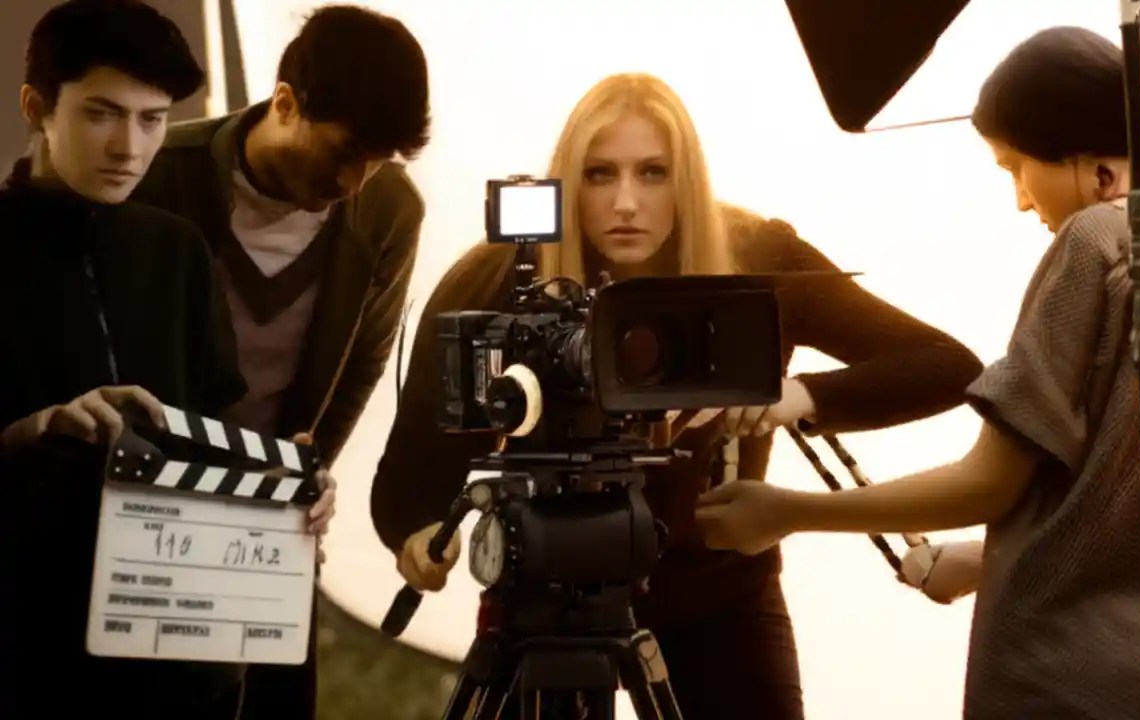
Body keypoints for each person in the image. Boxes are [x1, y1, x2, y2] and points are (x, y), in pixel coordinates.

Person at [370, 72, 985, 719]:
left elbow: (946, 365)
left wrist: (800, 394)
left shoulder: (755, 257)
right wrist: (418, 536)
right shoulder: (500, 276)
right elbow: (410, 474)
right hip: (544, 595)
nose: (626, 202)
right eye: (600, 174)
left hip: (720, 593)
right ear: (567, 181)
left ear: (687, 179)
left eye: (653, 173)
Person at [696, 26, 1140, 720]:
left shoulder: (1092, 241)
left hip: (1064, 689)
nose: (1020, 200)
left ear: (1100, 173)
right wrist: (989, 561)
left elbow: (989, 482)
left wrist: (791, 512)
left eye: (1016, 169)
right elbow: (1125, 518)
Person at [0, 2, 329, 718]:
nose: (129, 146)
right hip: (25, 653)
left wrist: (285, 487)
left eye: (152, 120)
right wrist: (34, 430)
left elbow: (213, 429)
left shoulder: (178, 251)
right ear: (36, 107)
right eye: (101, 114)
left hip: (173, 660)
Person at [129, 5, 429, 718]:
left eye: (379, 160)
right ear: (287, 103)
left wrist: (305, 464)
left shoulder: (389, 211)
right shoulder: (162, 174)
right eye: (345, 151)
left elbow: (361, 363)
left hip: (270, 516)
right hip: (149, 511)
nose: (356, 180)